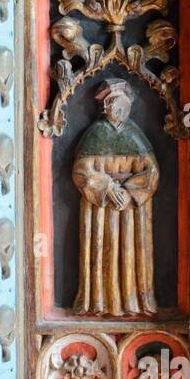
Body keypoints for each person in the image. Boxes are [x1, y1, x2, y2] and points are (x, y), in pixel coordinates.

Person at [71, 78, 159, 317]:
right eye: (109, 103)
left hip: (131, 207)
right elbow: (81, 170)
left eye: (117, 102)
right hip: (100, 206)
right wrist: (108, 188)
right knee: (101, 250)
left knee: (132, 253)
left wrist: (128, 191)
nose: (113, 108)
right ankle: (98, 302)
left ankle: (134, 302)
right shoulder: (96, 133)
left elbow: (151, 172)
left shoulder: (134, 134)